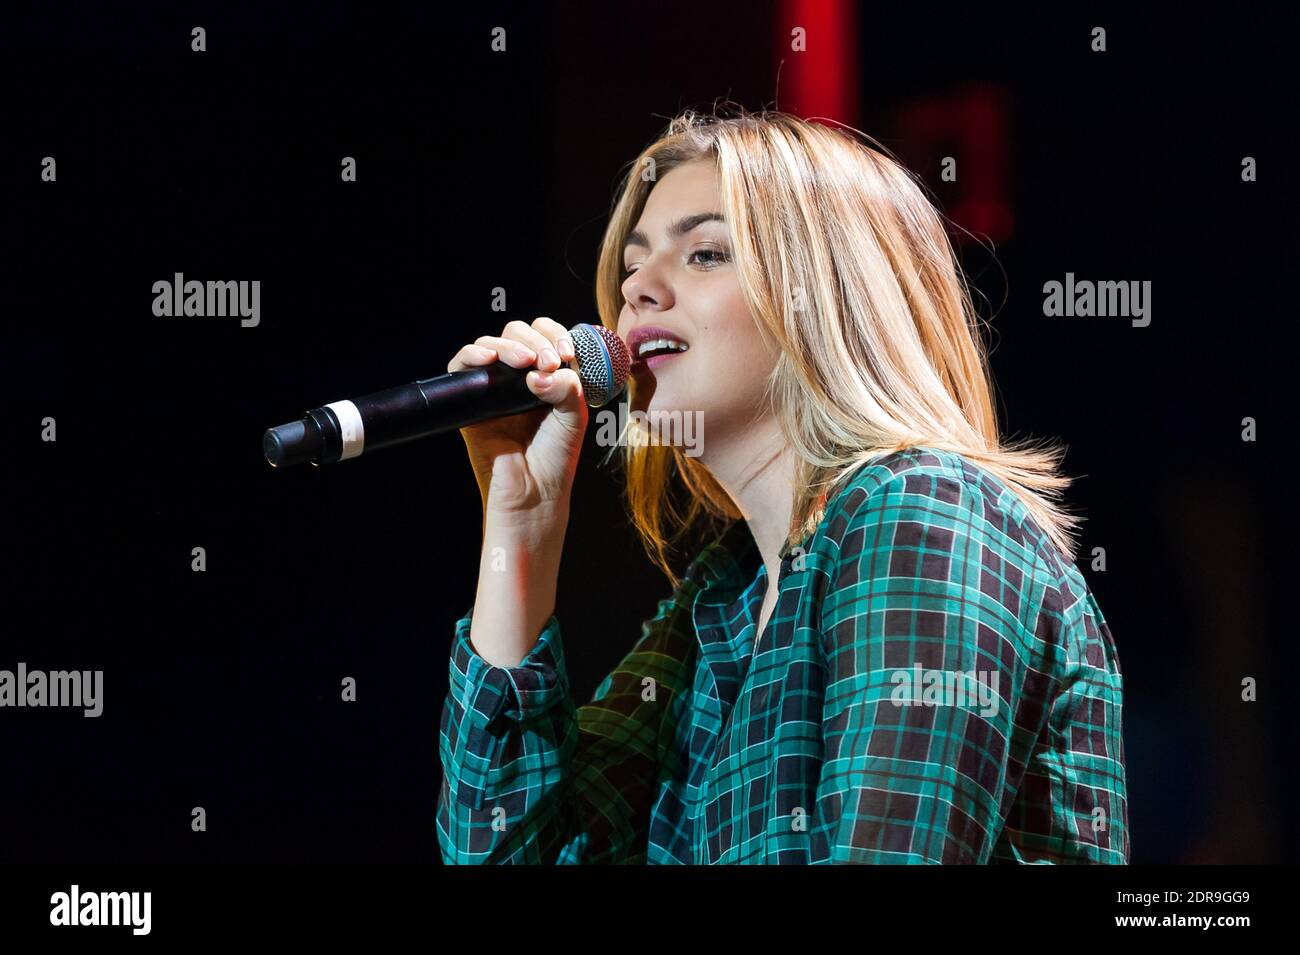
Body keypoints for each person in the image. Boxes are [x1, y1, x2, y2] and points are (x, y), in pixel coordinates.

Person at [435, 107, 1130, 864]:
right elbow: (509, 851)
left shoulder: (925, 513)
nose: (639, 289)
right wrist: (521, 525)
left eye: (704, 253)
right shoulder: (718, 605)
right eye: (633, 264)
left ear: (831, 295)